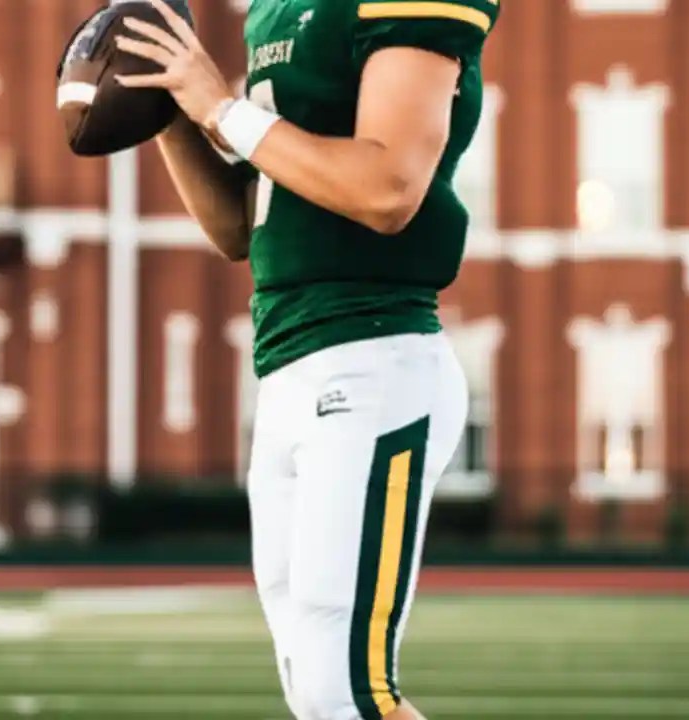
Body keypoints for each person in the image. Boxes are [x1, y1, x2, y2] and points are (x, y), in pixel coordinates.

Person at [116, 1, 499, 717]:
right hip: (288, 368)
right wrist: (167, 104)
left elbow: (386, 191)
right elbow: (239, 224)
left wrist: (221, 108)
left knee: (346, 691)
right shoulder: (275, 9)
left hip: (372, 358)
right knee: (313, 693)